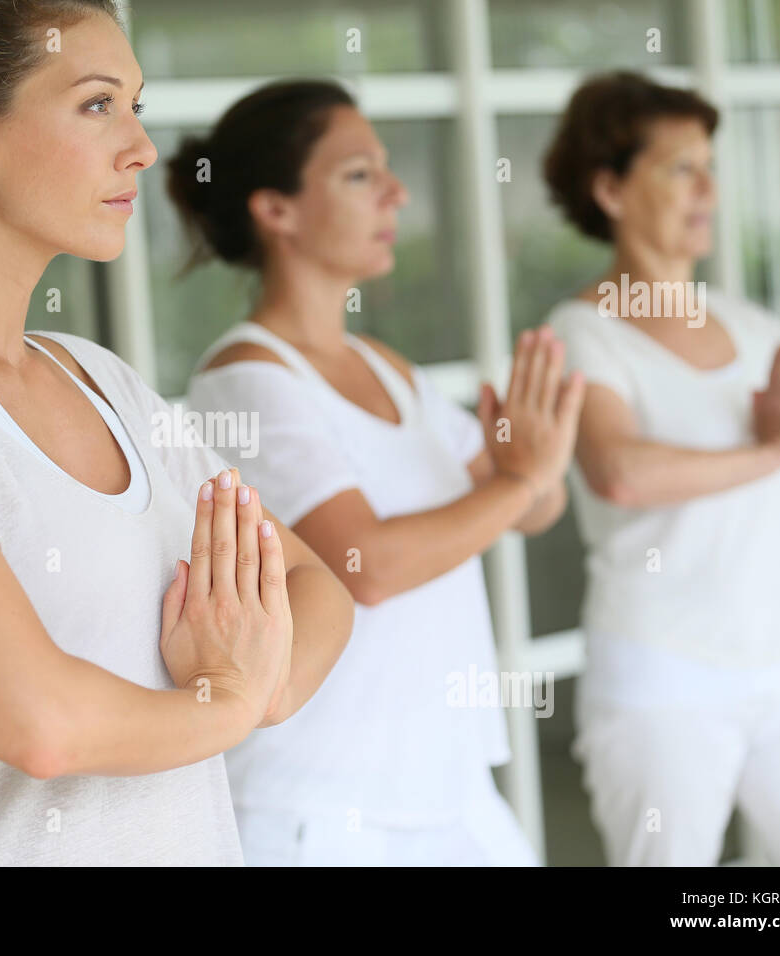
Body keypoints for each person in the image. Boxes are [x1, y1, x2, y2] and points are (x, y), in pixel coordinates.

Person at [0, 0, 355, 866]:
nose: (140, 146)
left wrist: (251, 691)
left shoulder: (97, 377)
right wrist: (229, 701)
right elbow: (37, 723)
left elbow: (315, 582)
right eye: (98, 104)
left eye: (135, 104)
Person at [172, 79, 584, 866]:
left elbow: (535, 506)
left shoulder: (386, 365)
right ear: (276, 210)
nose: (395, 193)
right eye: (360, 174)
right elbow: (367, 564)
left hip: (452, 790)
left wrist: (534, 465)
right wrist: (516, 481)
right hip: (323, 810)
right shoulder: (246, 377)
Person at [541, 70, 780, 865]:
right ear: (610, 189)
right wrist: (773, 450)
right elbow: (621, 471)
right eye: (682, 167)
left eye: (710, 164)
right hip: (664, 675)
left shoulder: (747, 323)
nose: (709, 187)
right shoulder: (583, 332)